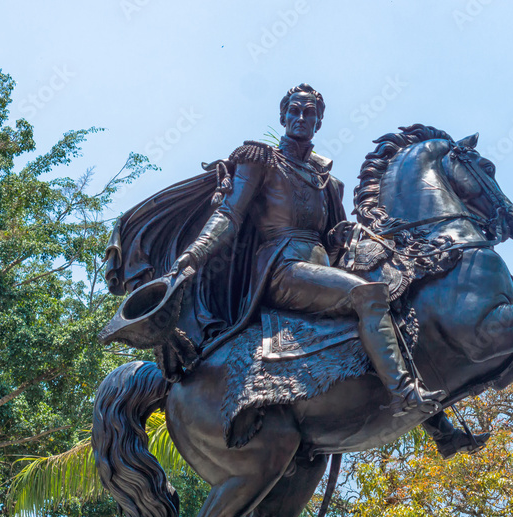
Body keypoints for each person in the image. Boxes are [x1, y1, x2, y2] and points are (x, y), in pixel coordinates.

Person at [168, 84, 444, 417]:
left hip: (322, 268)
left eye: (309, 112)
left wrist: (344, 235)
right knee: (367, 295)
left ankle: (438, 425)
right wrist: (195, 254)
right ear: (283, 117)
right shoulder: (260, 160)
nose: (300, 117)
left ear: (319, 122)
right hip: (281, 269)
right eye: (294, 111)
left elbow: (329, 240)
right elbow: (229, 214)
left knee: (399, 303)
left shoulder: (327, 182)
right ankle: (404, 394)